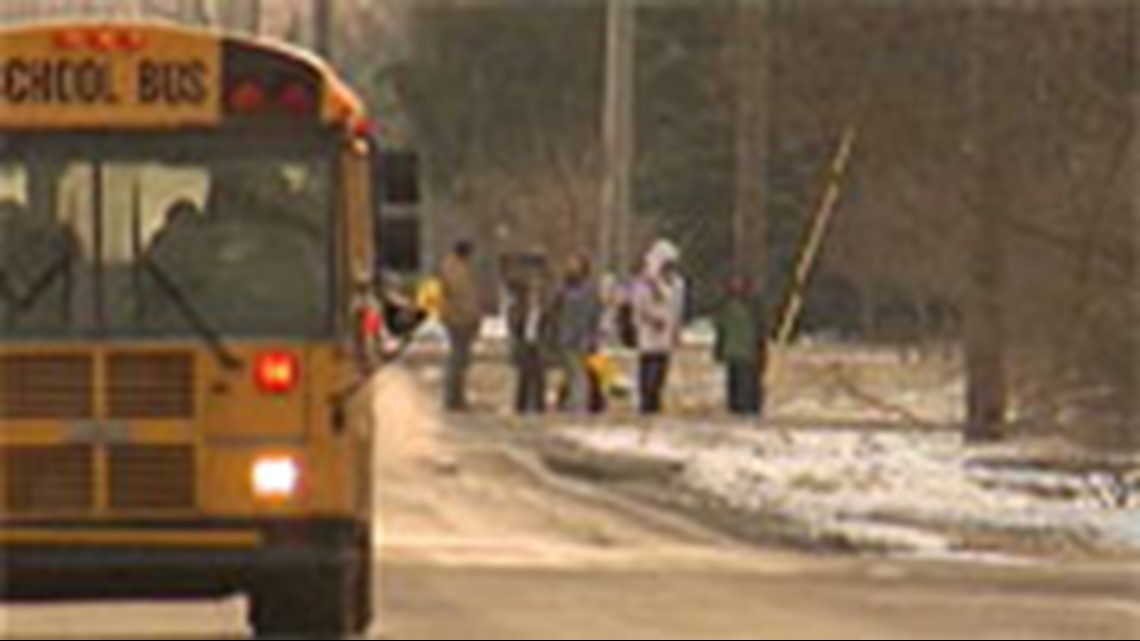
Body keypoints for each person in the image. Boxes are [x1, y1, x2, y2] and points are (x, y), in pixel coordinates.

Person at [632, 239, 686, 415]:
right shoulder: (645, 283)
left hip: (665, 337)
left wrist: (676, 329)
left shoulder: (677, 285)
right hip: (648, 335)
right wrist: (651, 319)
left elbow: (677, 308)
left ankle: (655, 401)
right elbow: (638, 305)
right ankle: (646, 403)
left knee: (661, 371)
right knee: (648, 369)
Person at [552, 254, 603, 413]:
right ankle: (572, 402)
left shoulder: (589, 291)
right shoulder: (564, 288)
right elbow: (555, 310)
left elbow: (593, 314)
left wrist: (592, 336)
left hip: (582, 338)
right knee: (571, 372)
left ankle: (579, 404)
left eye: (575, 264)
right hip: (565, 337)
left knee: (579, 372)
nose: (571, 267)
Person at [438, 240, 484, 411]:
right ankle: (454, 397)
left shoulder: (452, 268)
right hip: (460, 319)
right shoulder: (457, 271)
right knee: (458, 359)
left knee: (459, 359)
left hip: (457, 318)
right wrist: (473, 316)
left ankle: (455, 396)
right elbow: (463, 297)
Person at [714, 275, 769, 416]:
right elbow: (721, 329)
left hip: (748, 353)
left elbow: (760, 330)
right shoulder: (726, 306)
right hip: (733, 352)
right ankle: (736, 407)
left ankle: (749, 407)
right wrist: (719, 348)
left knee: (748, 382)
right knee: (735, 383)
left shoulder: (753, 307)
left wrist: (761, 350)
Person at [506, 270, 552, 414]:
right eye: (532, 292)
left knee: (539, 375)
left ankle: (539, 405)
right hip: (524, 343)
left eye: (537, 292)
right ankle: (521, 404)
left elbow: (549, 326)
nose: (534, 296)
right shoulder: (519, 308)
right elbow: (514, 324)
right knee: (524, 375)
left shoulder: (545, 310)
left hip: (538, 344)